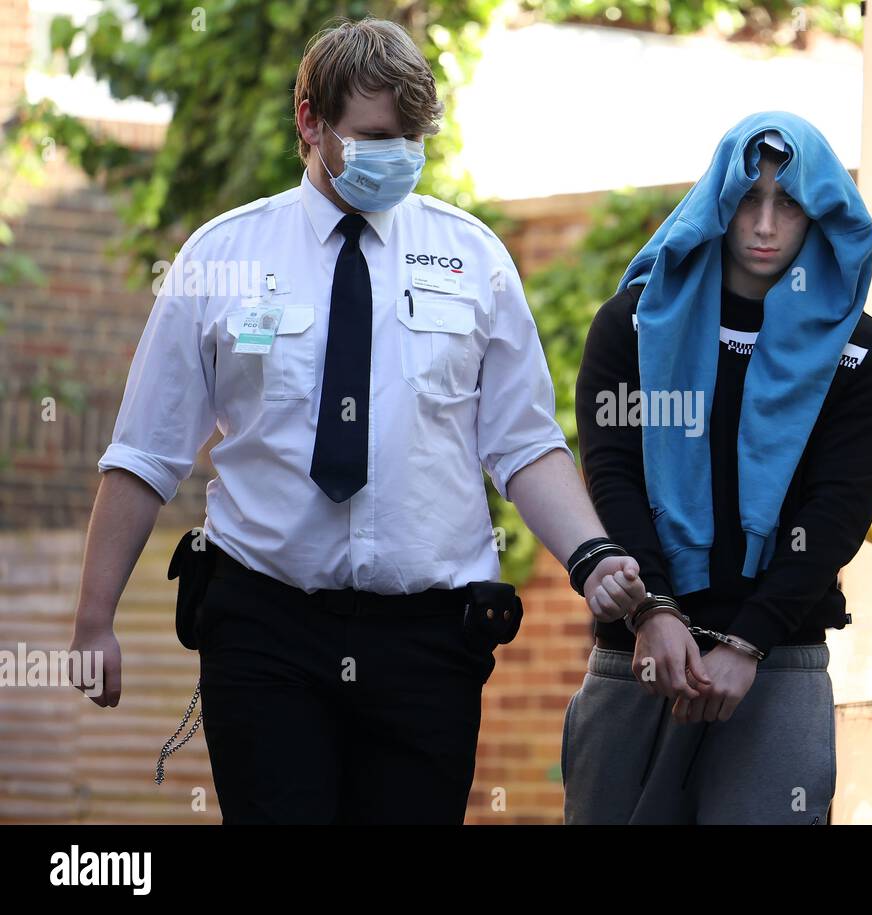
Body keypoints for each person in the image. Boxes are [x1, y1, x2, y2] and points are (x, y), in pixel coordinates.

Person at [68, 16, 645, 824]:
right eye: (376, 134)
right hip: (266, 628)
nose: (399, 154)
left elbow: (522, 445)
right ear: (310, 119)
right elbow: (143, 453)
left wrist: (593, 556)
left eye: (413, 137)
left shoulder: (473, 258)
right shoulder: (223, 257)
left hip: (427, 642)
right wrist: (94, 620)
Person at [563, 112, 872, 824]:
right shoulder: (632, 326)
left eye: (790, 204)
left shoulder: (865, 356)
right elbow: (614, 480)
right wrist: (652, 610)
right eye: (750, 198)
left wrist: (750, 641)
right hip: (640, 658)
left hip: (776, 662)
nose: (765, 224)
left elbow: (834, 519)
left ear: (822, 216)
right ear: (719, 201)